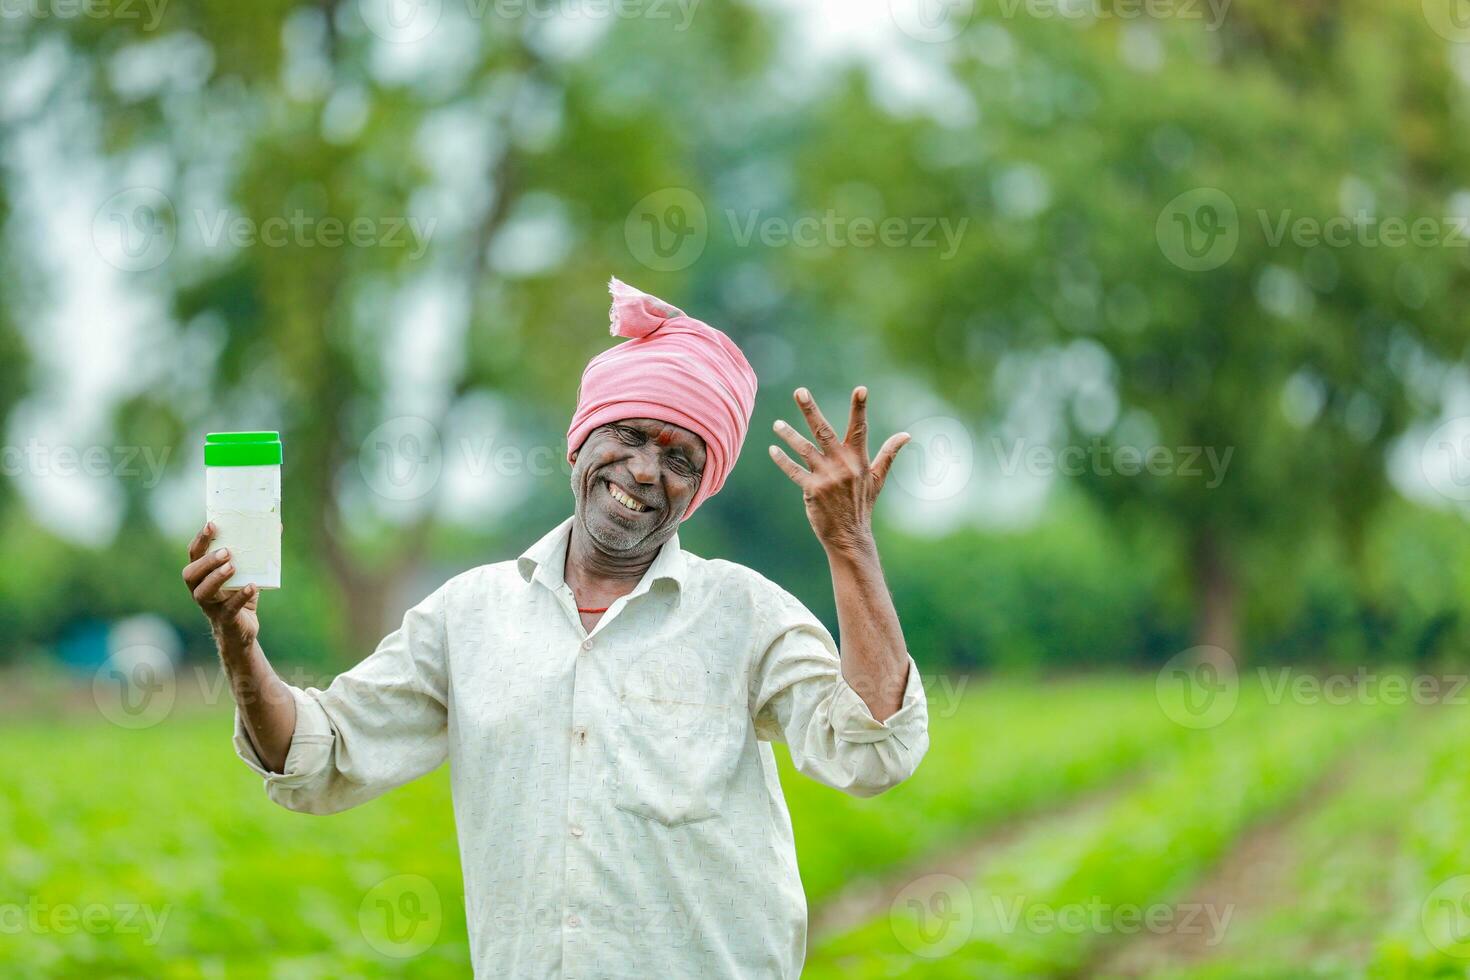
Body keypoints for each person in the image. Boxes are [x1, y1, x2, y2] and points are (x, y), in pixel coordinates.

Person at [182, 277, 930, 978]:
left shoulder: (744, 613)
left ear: (699, 488)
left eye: (680, 457)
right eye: (630, 436)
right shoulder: (469, 616)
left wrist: (850, 545)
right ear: (580, 443)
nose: (643, 471)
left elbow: (870, 754)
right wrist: (238, 644)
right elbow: (318, 758)